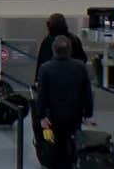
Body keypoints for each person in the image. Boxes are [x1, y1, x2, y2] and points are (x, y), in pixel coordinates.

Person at [37, 36, 94, 169]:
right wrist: (88, 112)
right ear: (70, 50)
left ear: (53, 50)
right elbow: (86, 92)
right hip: (75, 113)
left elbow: (42, 95)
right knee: (73, 139)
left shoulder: (45, 68)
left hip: (54, 115)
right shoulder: (80, 66)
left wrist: (41, 115)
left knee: (57, 142)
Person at [35, 13, 87, 81]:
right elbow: (83, 58)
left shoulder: (48, 41)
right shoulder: (74, 39)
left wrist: (37, 80)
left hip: (53, 80)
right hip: (72, 80)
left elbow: (42, 61)